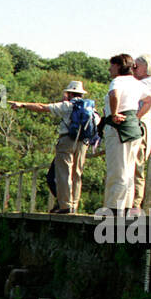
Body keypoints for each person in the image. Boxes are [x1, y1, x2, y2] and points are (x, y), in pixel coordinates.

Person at [7, 80, 91, 214]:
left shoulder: (67, 105)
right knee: (77, 173)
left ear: (69, 93)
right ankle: (74, 204)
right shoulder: (91, 108)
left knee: (64, 173)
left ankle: (65, 205)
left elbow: (42, 107)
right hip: (83, 143)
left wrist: (22, 105)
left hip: (67, 140)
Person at [99, 54, 148, 210]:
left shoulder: (118, 81)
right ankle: (126, 206)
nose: (109, 69)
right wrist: (136, 117)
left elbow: (114, 94)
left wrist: (114, 114)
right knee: (128, 170)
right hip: (133, 128)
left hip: (117, 129)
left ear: (119, 66)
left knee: (117, 169)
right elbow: (150, 100)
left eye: (112, 65)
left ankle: (113, 207)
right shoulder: (137, 84)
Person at [127, 53, 151, 212]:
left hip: (140, 127)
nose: (133, 69)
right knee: (131, 165)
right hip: (136, 125)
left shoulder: (150, 83)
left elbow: (145, 103)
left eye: (136, 66)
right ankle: (130, 202)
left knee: (136, 166)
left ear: (147, 68)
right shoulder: (143, 82)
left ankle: (135, 204)